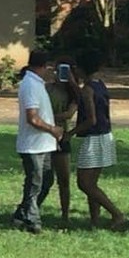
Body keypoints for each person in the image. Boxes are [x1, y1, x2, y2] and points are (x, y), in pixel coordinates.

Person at [70, 50, 125, 229]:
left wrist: (70, 133)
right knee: (92, 183)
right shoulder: (99, 84)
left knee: (84, 183)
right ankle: (94, 220)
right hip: (105, 135)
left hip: (93, 138)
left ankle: (116, 213)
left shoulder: (87, 89)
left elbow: (91, 119)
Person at [12, 51, 64, 234]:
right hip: (33, 144)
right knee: (35, 182)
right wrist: (53, 129)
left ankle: (21, 214)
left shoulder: (38, 84)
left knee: (46, 181)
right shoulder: (30, 86)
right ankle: (32, 220)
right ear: (44, 66)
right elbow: (32, 118)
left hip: (44, 143)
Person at [46, 56, 81, 225]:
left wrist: (72, 83)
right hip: (44, 134)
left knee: (64, 179)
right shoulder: (47, 88)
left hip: (61, 136)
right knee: (44, 177)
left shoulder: (73, 93)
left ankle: (65, 214)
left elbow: (69, 114)